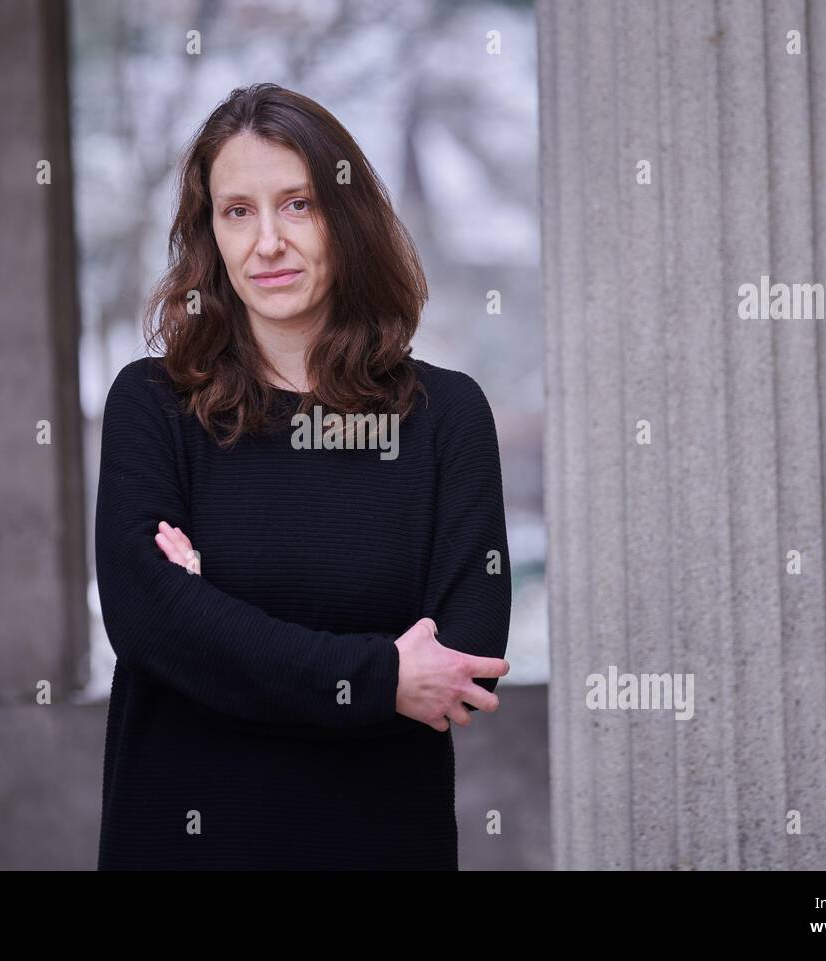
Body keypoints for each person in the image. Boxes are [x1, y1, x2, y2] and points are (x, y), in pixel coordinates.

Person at [96, 82, 512, 870]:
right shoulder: (153, 407)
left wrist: (214, 622)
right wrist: (382, 673)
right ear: (209, 232)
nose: (267, 244)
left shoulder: (445, 418)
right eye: (237, 211)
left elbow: (463, 660)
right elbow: (150, 622)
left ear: (346, 219)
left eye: (297, 205)